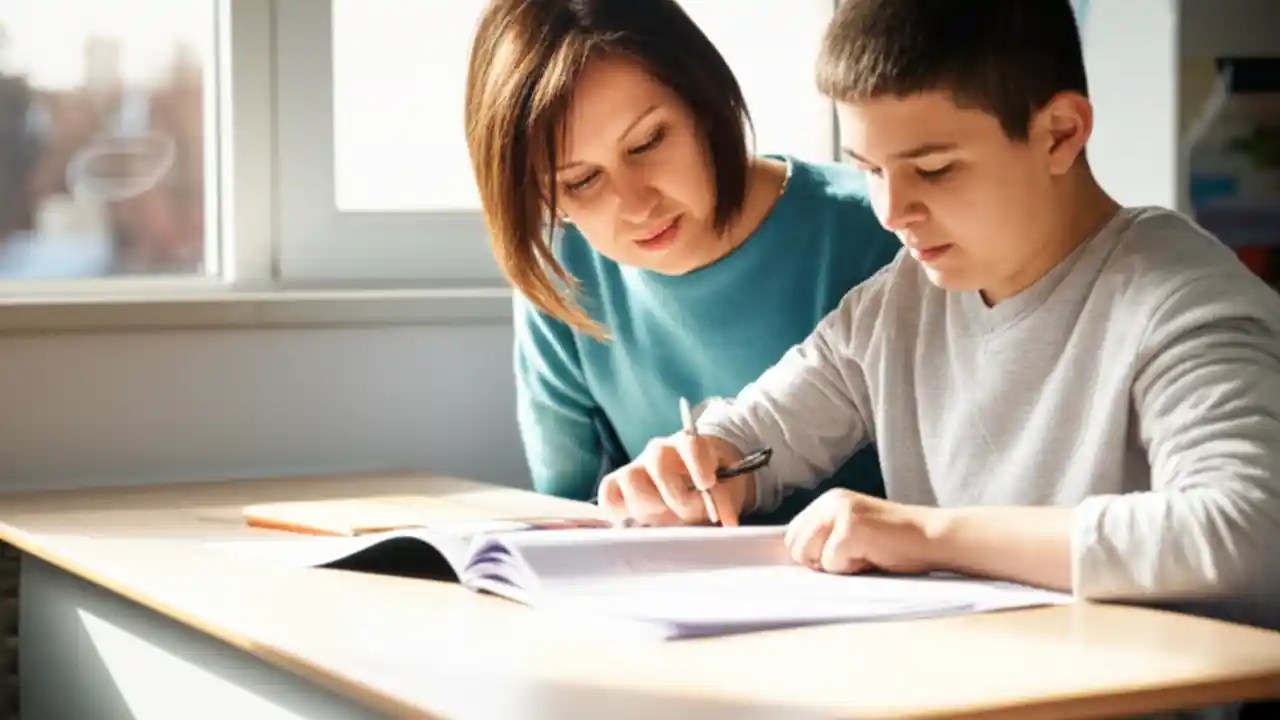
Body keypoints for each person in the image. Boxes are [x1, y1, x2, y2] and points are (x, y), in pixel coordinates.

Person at [603, 0, 1280, 626]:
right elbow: (764, 431)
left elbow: (1245, 530)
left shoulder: (1182, 297)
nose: (893, 213)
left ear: (1059, 133)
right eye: (870, 170)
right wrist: (697, 467)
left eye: (934, 169)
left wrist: (927, 534)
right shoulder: (901, 300)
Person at [464, 0, 900, 522]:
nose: (637, 204)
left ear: (701, 101)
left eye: (648, 142)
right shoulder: (563, 273)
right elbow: (568, 513)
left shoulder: (888, 225)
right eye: (581, 181)